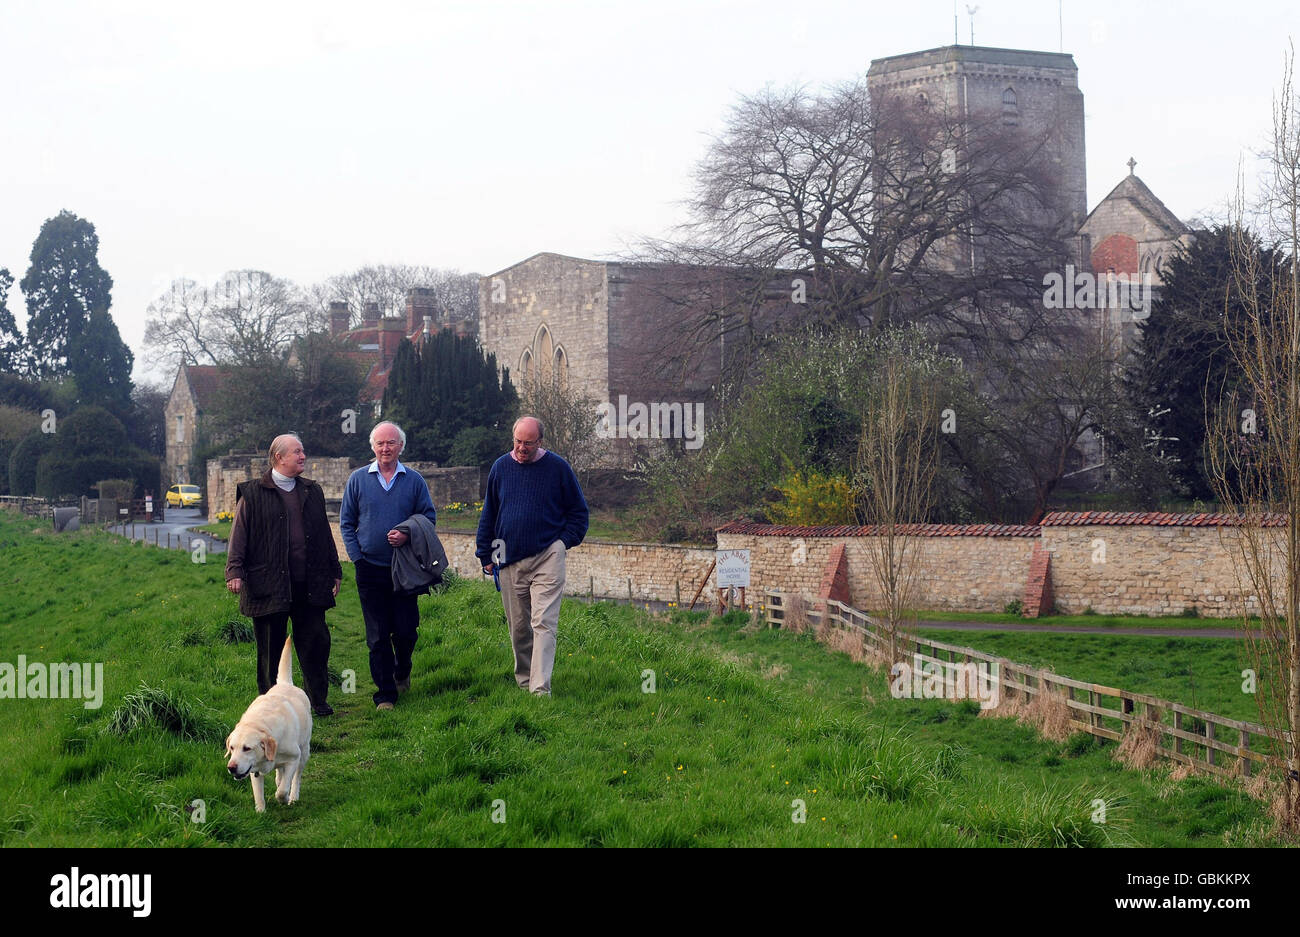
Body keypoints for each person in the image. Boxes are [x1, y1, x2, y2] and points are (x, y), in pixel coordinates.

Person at [225, 434, 341, 717]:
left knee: (315, 643)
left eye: (303, 451)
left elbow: (325, 535)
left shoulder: (312, 490)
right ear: (279, 457)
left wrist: (334, 571)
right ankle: (270, 706)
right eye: (297, 452)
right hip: (269, 583)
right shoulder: (252, 493)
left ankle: (318, 702)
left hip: (309, 584)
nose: (303, 456)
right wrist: (235, 571)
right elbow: (239, 535)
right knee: (270, 650)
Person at [476, 416, 588, 696]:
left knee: (544, 623)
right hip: (508, 557)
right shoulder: (500, 467)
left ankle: (540, 690)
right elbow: (490, 512)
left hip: (548, 554)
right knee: (519, 627)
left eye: (528, 443)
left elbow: (578, 513)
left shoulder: (558, 468)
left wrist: (563, 543)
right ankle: (525, 679)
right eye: (517, 442)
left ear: (540, 442)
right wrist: (484, 552)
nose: (521, 448)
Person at [340, 421, 438, 710]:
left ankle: (402, 668)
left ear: (401, 447)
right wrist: (357, 557)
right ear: (372, 447)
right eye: (380, 443)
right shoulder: (358, 479)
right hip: (369, 567)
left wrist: (407, 533)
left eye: (391, 443)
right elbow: (346, 523)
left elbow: (428, 518)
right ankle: (385, 694)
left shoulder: (414, 480)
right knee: (378, 635)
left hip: (406, 568)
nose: (385, 448)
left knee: (406, 630)